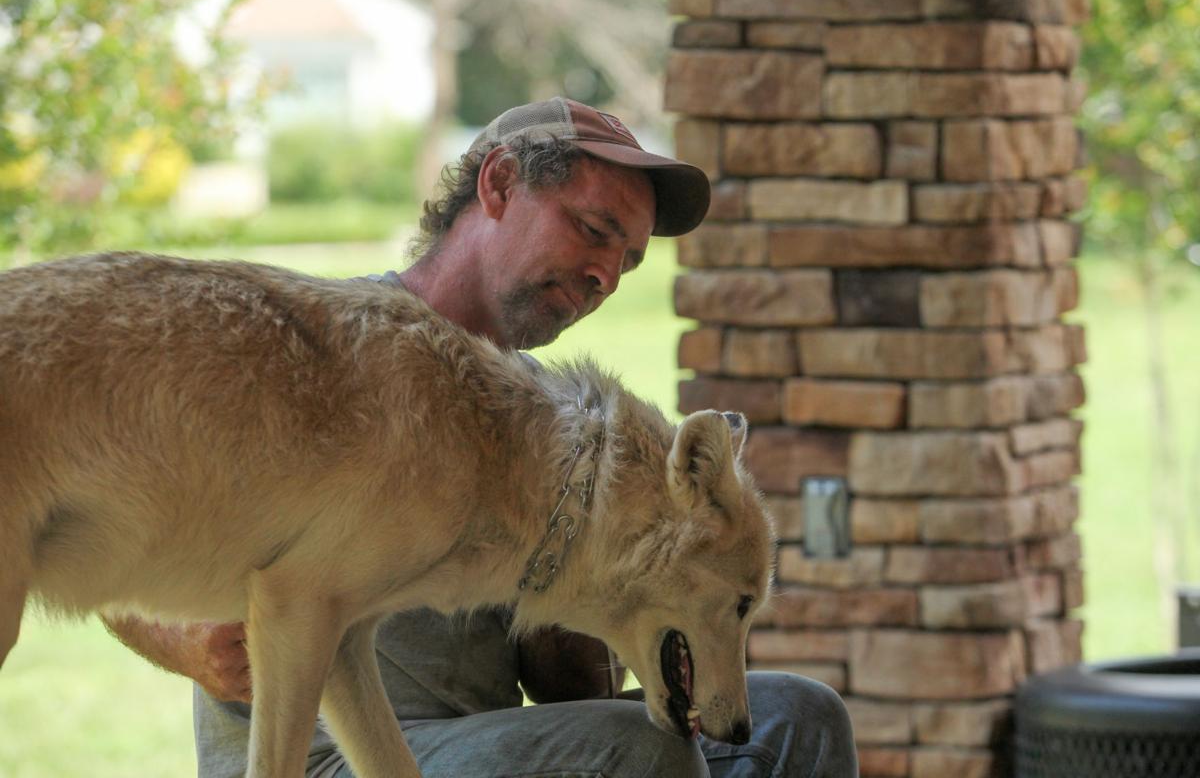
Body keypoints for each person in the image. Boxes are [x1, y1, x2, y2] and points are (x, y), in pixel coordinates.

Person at [105, 97, 858, 777]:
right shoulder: (317, 351)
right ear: (497, 184)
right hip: (322, 754)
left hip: (487, 741)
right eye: (592, 230)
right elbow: (101, 534)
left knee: (802, 718)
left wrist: (621, 579)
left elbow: (562, 684)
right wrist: (187, 645)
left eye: (626, 260)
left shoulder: (553, 416)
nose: (606, 276)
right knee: (642, 752)